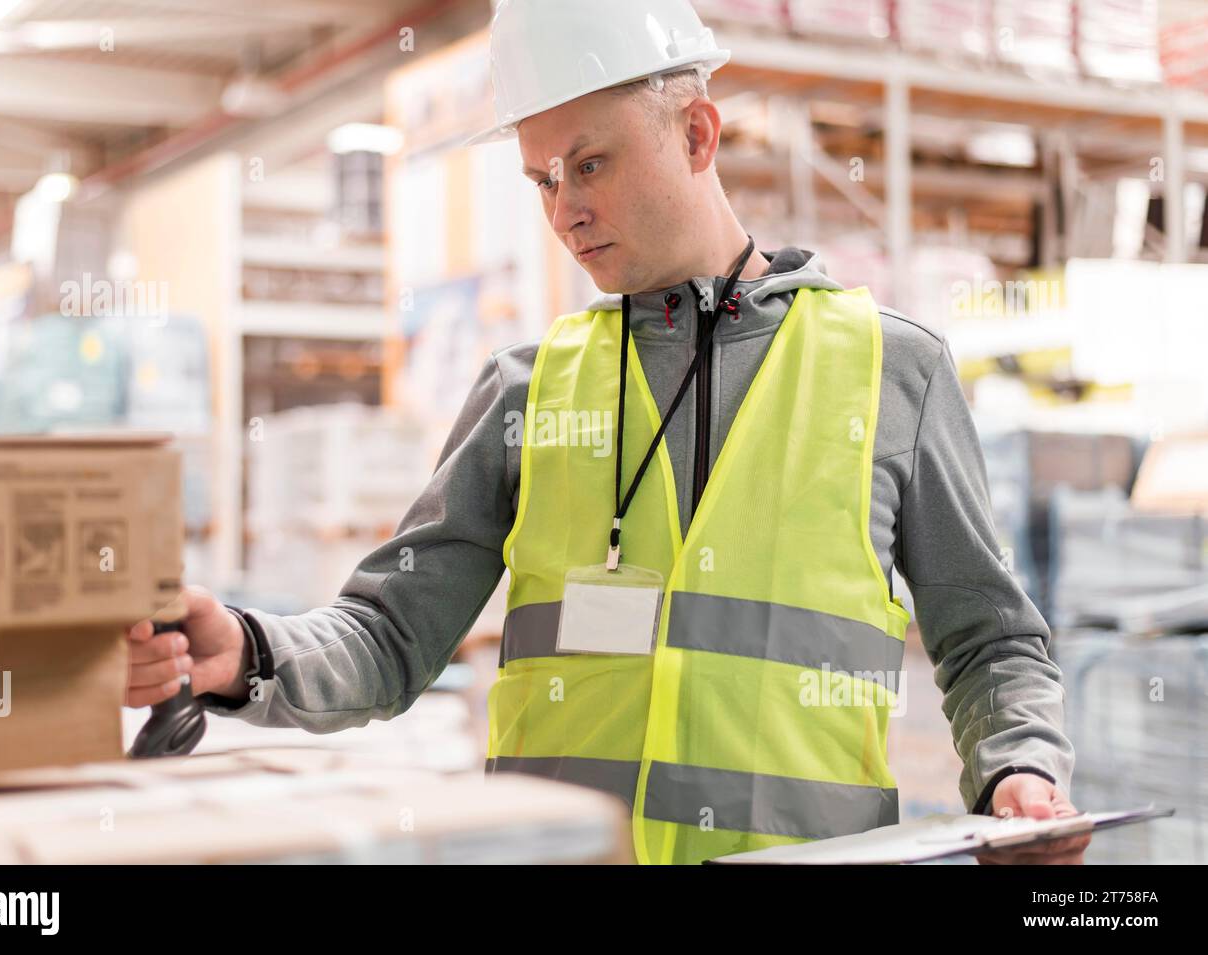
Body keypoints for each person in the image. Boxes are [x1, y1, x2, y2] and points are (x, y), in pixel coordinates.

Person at [127, 0, 1089, 865]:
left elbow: (992, 641)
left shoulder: (892, 371)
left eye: (590, 163)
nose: (565, 211)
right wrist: (250, 651)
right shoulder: (527, 389)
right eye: (542, 178)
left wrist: (1018, 768)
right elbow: (388, 634)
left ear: (697, 134)